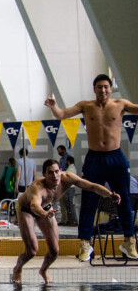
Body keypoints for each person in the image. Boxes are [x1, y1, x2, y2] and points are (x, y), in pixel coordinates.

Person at [45, 73, 138, 261]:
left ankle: (129, 241)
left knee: (124, 199)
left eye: (106, 87)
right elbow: (62, 115)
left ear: (110, 89)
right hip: (95, 158)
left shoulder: (121, 104)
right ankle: (85, 243)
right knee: (89, 200)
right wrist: (54, 107)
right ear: (94, 89)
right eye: (99, 87)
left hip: (116, 157)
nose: (103, 90)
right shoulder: (85, 106)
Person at [12, 159, 118, 284]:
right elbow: (34, 206)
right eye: (50, 173)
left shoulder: (67, 178)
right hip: (26, 209)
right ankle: (18, 268)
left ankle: (43, 270)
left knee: (55, 251)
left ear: (61, 171)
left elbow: (91, 186)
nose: (55, 176)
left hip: (46, 208)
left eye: (57, 172)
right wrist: (45, 214)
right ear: (44, 174)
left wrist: (110, 194)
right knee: (32, 251)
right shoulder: (38, 186)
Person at [60, 156, 78, 226]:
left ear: (68, 161)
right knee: (68, 205)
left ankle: (73, 220)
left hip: (69, 188)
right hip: (70, 188)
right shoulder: (71, 168)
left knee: (70, 205)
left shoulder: (71, 169)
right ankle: (70, 220)